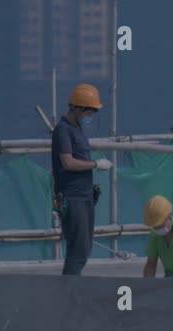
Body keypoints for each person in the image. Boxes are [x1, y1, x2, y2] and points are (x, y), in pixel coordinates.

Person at [52, 83, 113, 276]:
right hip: (72, 197)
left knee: (84, 248)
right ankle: (69, 293)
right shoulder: (63, 130)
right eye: (89, 111)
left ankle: (72, 289)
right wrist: (95, 165)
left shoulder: (77, 129)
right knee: (78, 249)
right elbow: (68, 162)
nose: (90, 116)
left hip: (84, 196)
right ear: (77, 108)